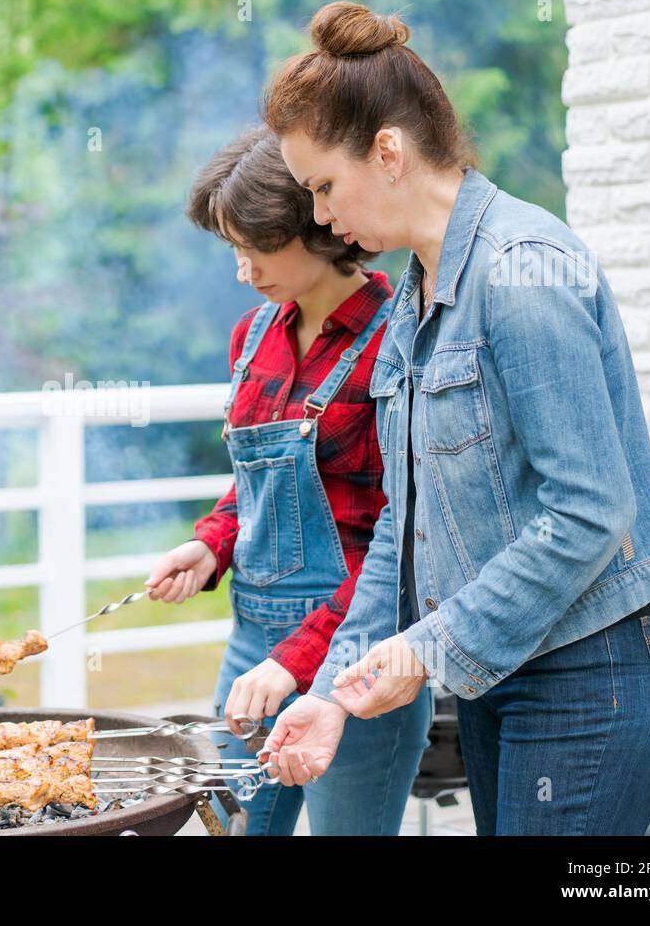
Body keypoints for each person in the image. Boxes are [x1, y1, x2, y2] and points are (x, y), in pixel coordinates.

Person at [257, 1, 650, 835]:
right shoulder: (413, 301)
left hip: (596, 671)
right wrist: (331, 692)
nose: (318, 216)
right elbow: (403, 524)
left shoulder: (523, 273)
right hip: (507, 669)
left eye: (322, 185)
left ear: (387, 151)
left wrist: (425, 649)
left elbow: (591, 510)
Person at [143, 125, 432, 835]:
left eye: (257, 247)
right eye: (233, 249)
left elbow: (403, 533)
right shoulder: (252, 336)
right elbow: (257, 476)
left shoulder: (400, 337)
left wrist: (301, 658)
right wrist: (212, 542)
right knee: (231, 826)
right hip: (253, 639)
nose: (244, 269)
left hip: (358, 647)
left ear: (317, 223)